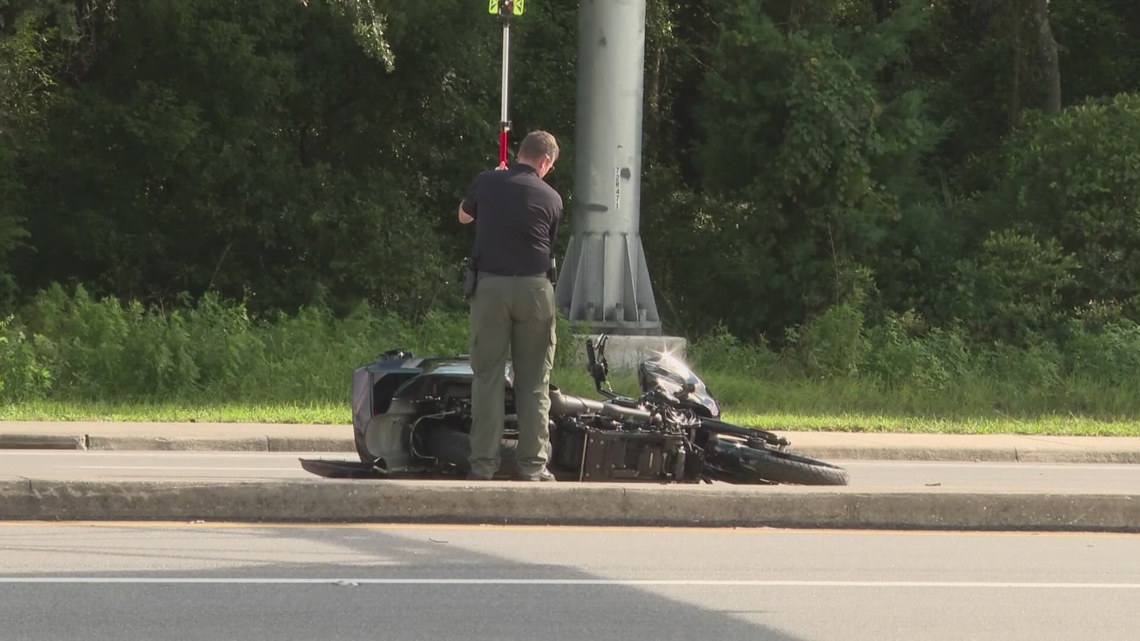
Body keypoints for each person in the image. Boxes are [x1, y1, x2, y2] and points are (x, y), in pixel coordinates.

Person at [458, 130, 563, 482]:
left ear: (518, 153)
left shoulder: (488, 182)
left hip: (490, 288)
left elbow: (463, 217)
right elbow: (548, 243)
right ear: (545, 161)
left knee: (487, 377)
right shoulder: (552, 197)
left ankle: (483, 465)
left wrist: (493, 181)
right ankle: (533, 465)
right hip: (535, 290)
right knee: (534, 381)